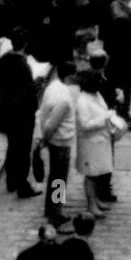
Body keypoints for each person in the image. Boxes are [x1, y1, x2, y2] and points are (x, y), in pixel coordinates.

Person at [0, 28, 41, 199]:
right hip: (22, 115)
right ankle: (55, 203)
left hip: (7, 112)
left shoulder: (4, 60)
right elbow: (26, 93)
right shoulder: (23, 65)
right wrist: (35, 86)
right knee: (22, 151)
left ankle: (12, 180)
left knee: (13, 147)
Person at [38, 59, 76, 227]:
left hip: (56, 142)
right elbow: (51, 125)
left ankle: (51, 209)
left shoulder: (53, 87)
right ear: (70, 76)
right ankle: (55, 213)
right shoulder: (64, 99)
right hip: (60, 143)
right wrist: (45, 140)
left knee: (55, 177)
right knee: (59, 180)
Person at [74, 67, 115, 218]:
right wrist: (104, 118)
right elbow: (85, 124)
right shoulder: (82, 101)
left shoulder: (95, 95)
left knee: (96, 174)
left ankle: (94, 200)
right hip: (82, 143)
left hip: (98, 141)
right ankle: (56, 208)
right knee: (60, 178)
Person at [101, 0, 131, 128]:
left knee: (120, 87)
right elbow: (125, 43)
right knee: (126, 87)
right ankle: (123, 115)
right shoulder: (122, 17)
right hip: (124, 59)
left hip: (116, 56)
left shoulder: (115, 6)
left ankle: (122, 113)